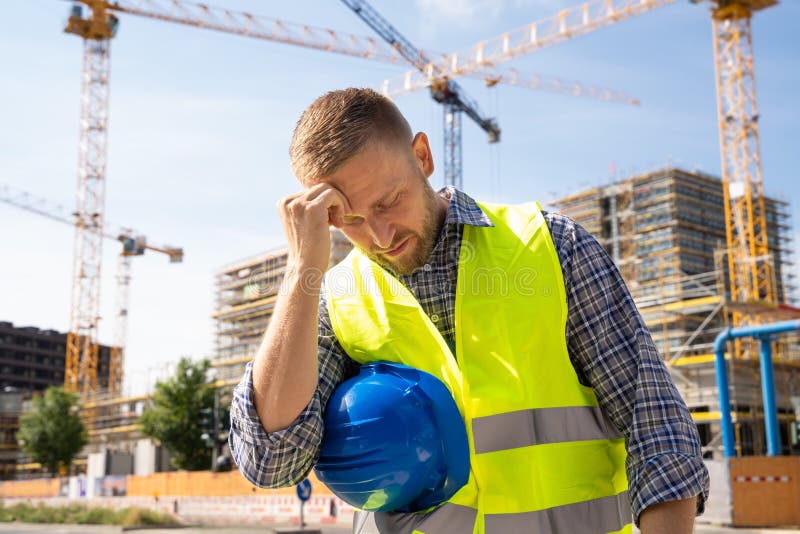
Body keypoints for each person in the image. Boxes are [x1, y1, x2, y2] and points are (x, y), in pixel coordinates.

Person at [228, 87, 710, 533]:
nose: (381, 236)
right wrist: (300, 270)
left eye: (390, 201)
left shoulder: (550, 245)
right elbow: (274, 460)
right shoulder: (334, 297)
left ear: (423, 156)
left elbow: (657, 425)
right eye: (350, 220)